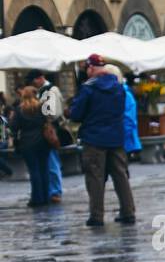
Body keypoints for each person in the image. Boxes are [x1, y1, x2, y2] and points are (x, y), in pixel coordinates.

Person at [69, 53, 136, 227]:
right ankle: (128, 211)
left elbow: (76, 114)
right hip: (116, 137)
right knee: (121, 176)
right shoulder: (119, 87)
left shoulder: (88, 88)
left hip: (94, 139)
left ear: (91, 68)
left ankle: (96, 216)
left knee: (95, 178)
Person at [28, 71, 65, 203]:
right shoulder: (45, 90)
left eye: (34, 81)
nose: (34, 84)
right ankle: (52, 190)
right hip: (46, 129)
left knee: (52, 162)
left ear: (40, 78)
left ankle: (55, 191)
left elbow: (53, 113)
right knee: (50, 162)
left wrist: (41, 114)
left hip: (49, 129)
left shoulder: (50, 90)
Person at [13, 86, 53, 207]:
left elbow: (14, 127)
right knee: (44, 169)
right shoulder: (42, 107)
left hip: (27, 142)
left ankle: (37, 198)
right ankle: (46, 196)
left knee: (34, 170)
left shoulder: (19, 110)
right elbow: (49, 121)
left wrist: (16, 141)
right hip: (43, 141)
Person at [101, 64, 142, 157]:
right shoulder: (115, 93)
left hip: (123, 141)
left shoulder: (125, 95)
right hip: (117, 139)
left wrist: (120, 137)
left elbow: (129, 120)